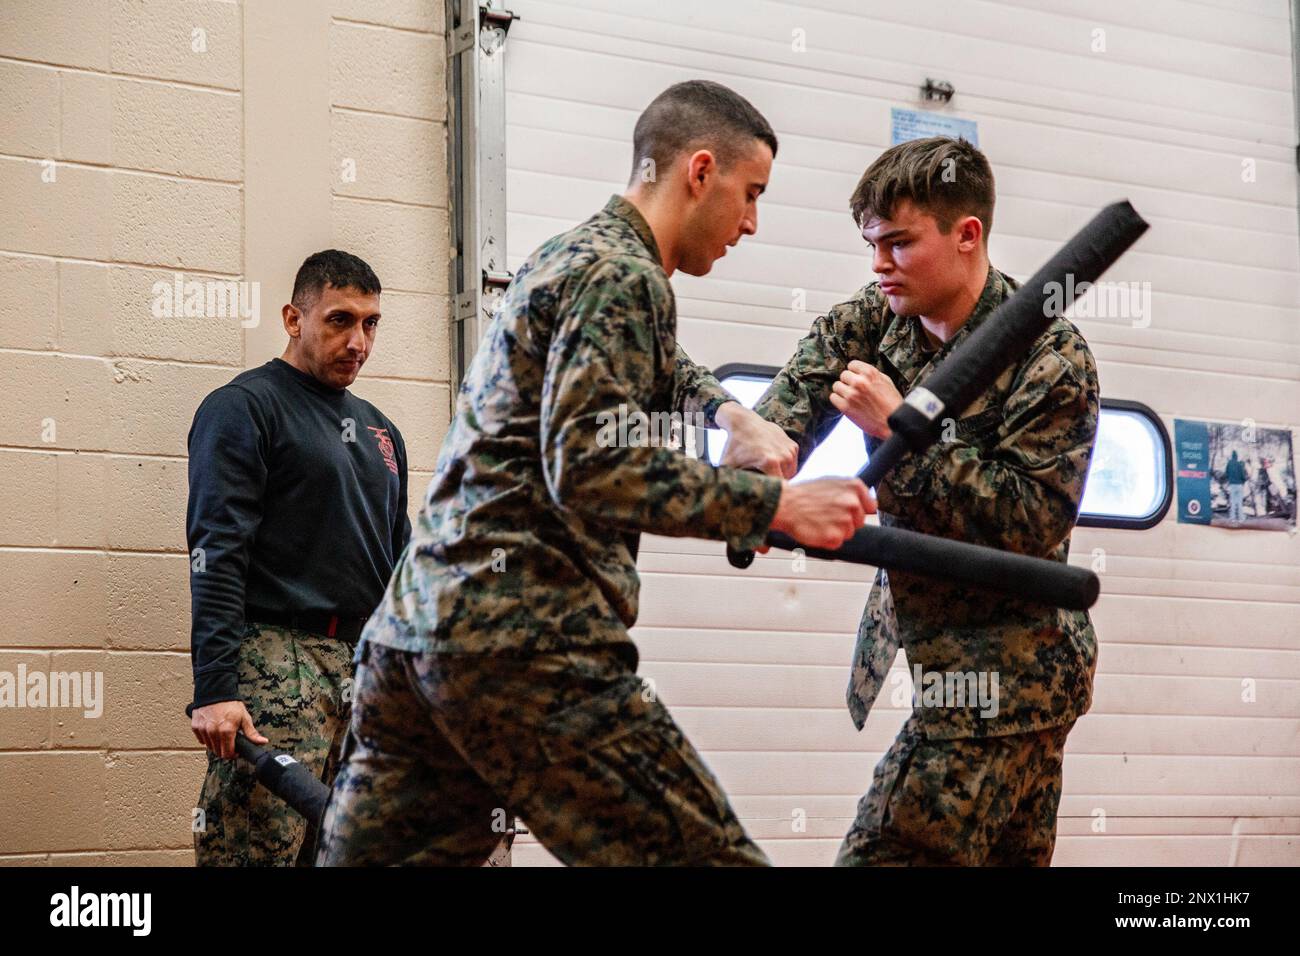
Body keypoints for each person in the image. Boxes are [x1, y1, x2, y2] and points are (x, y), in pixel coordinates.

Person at [316, 80, 874, 866]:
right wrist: (774, 507)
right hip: (525, 646)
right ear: (700, 170)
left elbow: (652, 363)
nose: (752, 223)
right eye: (751, 195)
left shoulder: (570, 257)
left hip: (417, 643)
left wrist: (728, 413)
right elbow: (589, 466)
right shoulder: (628, 277)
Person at [743, 136, 1100, 865]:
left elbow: (1027, 523)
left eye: (899, 244)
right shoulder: (877, 319)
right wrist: (753, 483)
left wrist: (901, 428)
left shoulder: (1051, 357)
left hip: (1012, 679)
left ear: (967, 235)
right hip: (945, 664)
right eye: (872, 244)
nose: (879, 264)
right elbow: (789, 406)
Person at [186, 250, 411, 866]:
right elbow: (217, 551)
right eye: (339, 320)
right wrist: (216, 687)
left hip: (360, 674)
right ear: (293, 318)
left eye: (370, 324)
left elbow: (402, 569)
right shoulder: (245, 408)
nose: (357, 341)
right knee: (258, 850)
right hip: (275, 666)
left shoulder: (382, 432)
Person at [1225, 450, 1248, 524]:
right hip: (1239, 485)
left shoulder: (1229, 464)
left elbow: (1226, 474)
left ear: (1232, 456)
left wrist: (1230, 479)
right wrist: (1244, 480)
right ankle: (1241, 519)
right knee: (1239, 502)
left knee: (1233, 502)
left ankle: (1232, 519)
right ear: (1237, 456)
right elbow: (1242, 475)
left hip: (1232, 485)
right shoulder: (1239, 464)